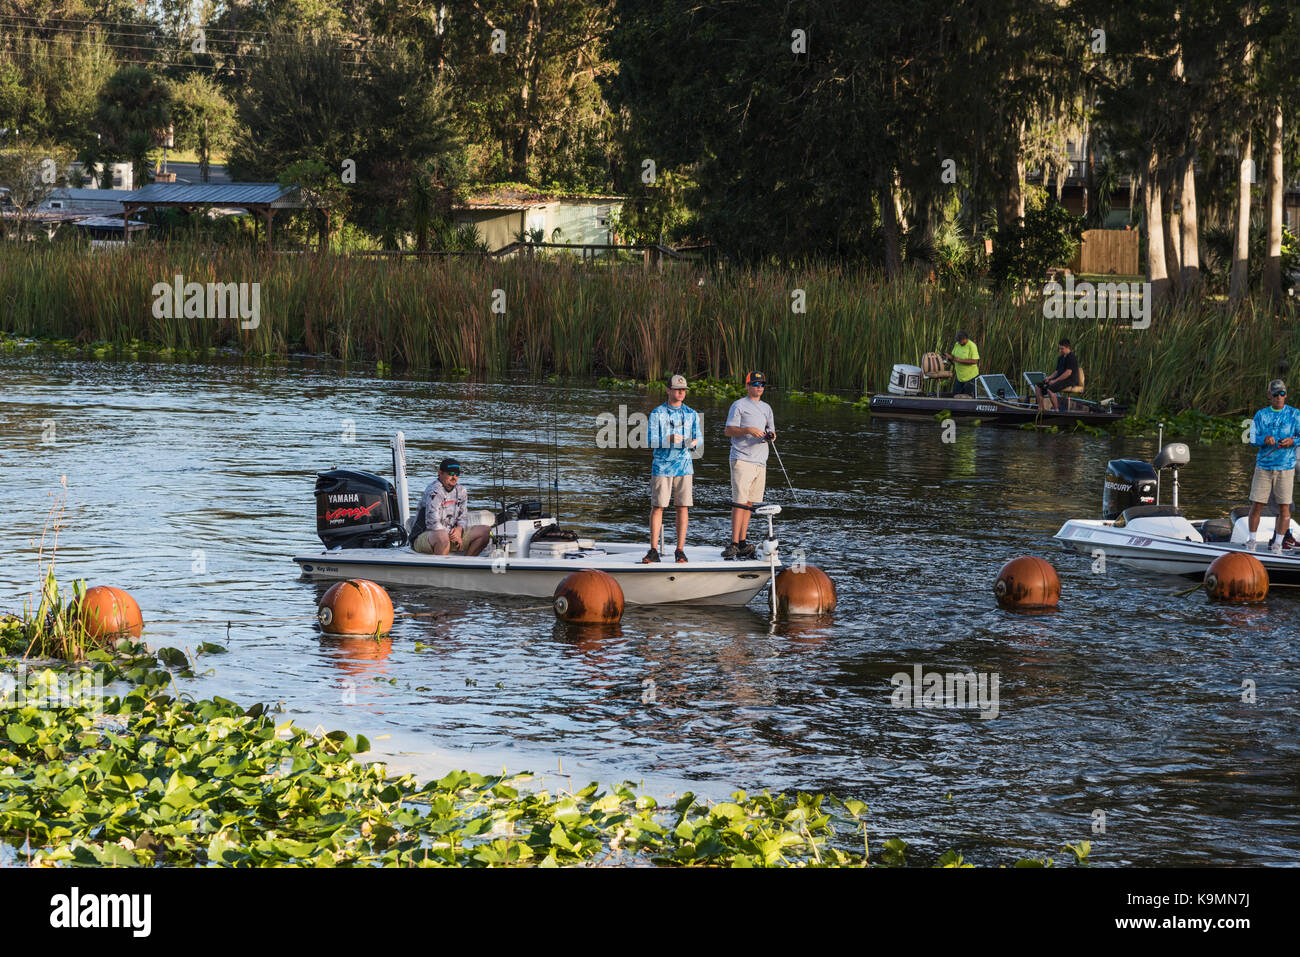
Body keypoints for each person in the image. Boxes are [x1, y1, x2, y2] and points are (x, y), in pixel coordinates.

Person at [642, 374, 702, 563]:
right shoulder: (657, 413)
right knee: (658, 506)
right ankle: (653, 550)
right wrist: (667, 439)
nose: (681, 392)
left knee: (682, 507)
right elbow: (649, 441)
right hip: (661, 466)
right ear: (668, 390)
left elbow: (698, 438)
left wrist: (693, 442)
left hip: (684, 467)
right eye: (677, 389)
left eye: (683, 390)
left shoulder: (692, 414)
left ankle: (680, 550)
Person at [723, 371, 776, 560]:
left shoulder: (767, 408)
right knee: (739, 501)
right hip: (742, 459)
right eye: (755, 384)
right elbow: (728, 430)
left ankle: (743, 542)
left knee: (749, 503)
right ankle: (733, 543)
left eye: (762, 384)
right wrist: (747, 430)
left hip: (760, 461)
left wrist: (771, 436)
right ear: (747, 386)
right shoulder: (738, 405)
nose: (759, 387)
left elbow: (771, 431)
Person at [1247, 379, 1300, 553]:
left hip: (1286, 467)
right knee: (1257, 505)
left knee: (1284, 507)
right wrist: (1265, 439)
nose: (1279, 397)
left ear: (1286, 395)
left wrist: (1293, 441)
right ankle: (1251, 541)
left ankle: (1278, 544)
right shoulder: (1261, 415)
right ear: (1269, 395)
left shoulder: (1295, 414)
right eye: (1275, 394)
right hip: (1264, 467)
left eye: (1282, 393)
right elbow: (1252, 439)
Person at [411, 458, 490, 556]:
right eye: (451, 474)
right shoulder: (434, 491)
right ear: (440, 473)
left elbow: (463, 517)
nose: (454, 477)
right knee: (442, 535)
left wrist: (459, 529)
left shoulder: (462, 491)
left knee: (485, 531)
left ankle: (465, 565)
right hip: (425, 536)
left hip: (451, 535)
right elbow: (433, 523)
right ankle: (441, 569)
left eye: (457, 474)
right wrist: (454, 535)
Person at [1036, 338, 1080, 411]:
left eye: (1062, 349)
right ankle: (1041, 409)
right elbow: (1057, 371)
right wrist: (1049, 378)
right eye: (1059, 348)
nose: (1060, 351)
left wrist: (1055, 381)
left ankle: (1056, 410)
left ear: (1068, 348)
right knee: (1038, 386)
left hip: (1070, 380)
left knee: (1050, 390)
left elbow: (1068, 373)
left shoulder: (1072, 357)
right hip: (1060, 379)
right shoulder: (1061, 358)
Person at [942, 330, 980, 396]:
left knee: (967, 398)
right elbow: (954, 357)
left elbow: (975, 361)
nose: (959, 343)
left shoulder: (972, 346)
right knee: (955, 395)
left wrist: (959, 360)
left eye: (960, 341)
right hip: (960, 377)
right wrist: (948, 356)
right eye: (958, 341)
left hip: (970, 378)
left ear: (966, 338)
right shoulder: (957, 344)